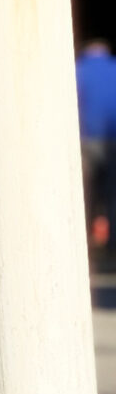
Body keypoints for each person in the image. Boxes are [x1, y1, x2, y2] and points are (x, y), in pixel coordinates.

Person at [75, 39, 116, 265]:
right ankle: (112, 247)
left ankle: (84, 247)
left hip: (84, 141)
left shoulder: (74, 70)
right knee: (113, 196)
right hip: (114, 140)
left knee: (84, 196)